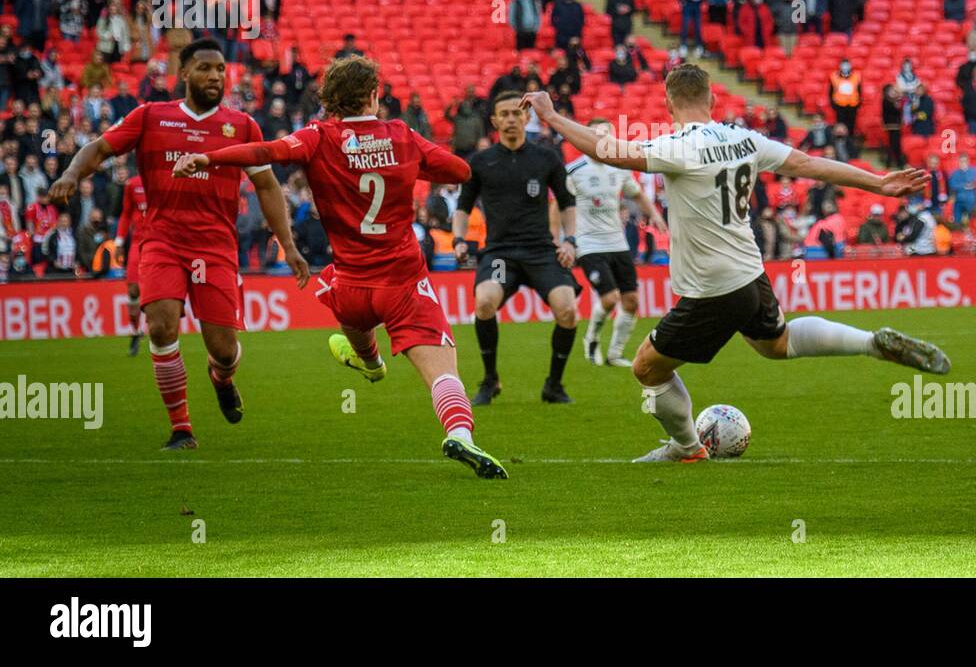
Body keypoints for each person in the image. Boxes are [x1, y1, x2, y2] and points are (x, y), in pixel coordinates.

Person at [520, 64, 949, 463]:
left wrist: (553, 118)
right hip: (750, 273)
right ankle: (871, 342)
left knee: (647, 367)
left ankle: (687, 447)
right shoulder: (745, 139)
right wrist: (877, 182)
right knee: (776, 343)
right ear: (712, 100)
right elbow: (807, 164)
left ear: (669, 104)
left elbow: (608, 149)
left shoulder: (677, 146)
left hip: (711, 287)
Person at [172, 56, 507, 479]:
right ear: (374, 95)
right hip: (403, 283)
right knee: (443, 372)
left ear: (331, 99)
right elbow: (460, 171)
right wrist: (410, 160)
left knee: (350, 311)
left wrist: (208, 158)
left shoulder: (318, 137)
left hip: (348, 286)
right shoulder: (401, 134)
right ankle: (460, 434)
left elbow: (267, 152)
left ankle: (370, 362)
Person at [49, 40, 310, 450]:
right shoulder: (151, 116)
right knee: (161, 326)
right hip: (162, 241)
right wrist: (70, 173)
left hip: (216, 247)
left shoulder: (242, 125)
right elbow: (98, 148)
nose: (215, 76)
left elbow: (266, 185)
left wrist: (288, 245)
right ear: (184, 73)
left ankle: (221, 376)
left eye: (221, 69)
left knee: (224, 350)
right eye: (206, 69)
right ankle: (181, 427)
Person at [453, 90, 583, 405]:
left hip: (540, 250)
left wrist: (570, 240)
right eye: (504, 114)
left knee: (567, 309)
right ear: (495, 120)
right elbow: (463, 206)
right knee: (484, 303)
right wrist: (458, 239)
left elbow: (567, 202)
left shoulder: (547, 158)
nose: (511, 119)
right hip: (500, 253)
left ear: (526, 117)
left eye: (516, 113)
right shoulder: (481, 162)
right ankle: (490, 379)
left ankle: (553, 384)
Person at [567, 119, 669, 367]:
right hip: (588, 243)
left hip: (617, 242)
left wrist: (654, 216)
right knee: (611, 298)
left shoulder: (620, 168)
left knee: (631, 301)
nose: (605, 141)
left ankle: (614, 354)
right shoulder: (574, 170)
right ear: (588, 137)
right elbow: (558, 206)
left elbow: (637, 194)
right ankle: (591, 341)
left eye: (609, 137)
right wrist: (560, 238)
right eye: (600, 135)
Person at [113, 171, 148, 356]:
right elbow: (126, 214)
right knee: (133, 289)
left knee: (157, 292)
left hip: (160, 241)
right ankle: (135, 331)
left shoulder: (166, 179)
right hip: (137, 242)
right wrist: (119, 242)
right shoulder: (132, 184)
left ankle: (162, 336)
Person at [828, 59, 861, 131]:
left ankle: (850, 140)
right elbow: (831, 92)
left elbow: (859, 90)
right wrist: (833, 104)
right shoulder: (834, 76)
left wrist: (858, 103)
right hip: (839, 106)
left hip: (853, 106)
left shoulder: (856, 76)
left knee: (851, 125)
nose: (845, 67)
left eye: (847, 65)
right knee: (841, 126)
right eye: (843, 65)